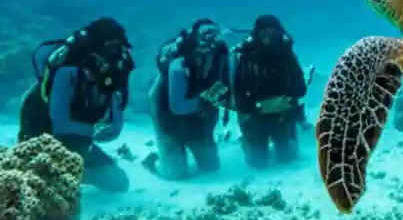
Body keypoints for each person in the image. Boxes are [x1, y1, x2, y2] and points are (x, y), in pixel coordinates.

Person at [18, 16, 134, 192]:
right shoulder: (68, 70)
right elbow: (60, 123)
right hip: (43, 132)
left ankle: (68, 175)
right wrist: (93, 132)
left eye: (119, 47)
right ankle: (48, 173)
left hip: (78, 138)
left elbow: (114, 115)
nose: (116, 55)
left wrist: (111, 127)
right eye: (111, 48)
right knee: (46, 185)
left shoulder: (110, 72)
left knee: (118, 182)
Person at [145, 18, 231, 180]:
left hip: (199, 122)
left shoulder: (221, 59)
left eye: (214, 34)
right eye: (206, 35)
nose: (210, 40)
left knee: (211, 167)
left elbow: (227, 89)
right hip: (169, 119)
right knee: (175, 175)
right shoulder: (178, 65)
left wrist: (220, 98)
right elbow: (177, 106)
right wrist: (204, 102)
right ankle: (154, 161)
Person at [231, 15, 313, 169]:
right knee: (257, 163)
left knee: (288, 159)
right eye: (263, 33)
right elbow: (239, 94)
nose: (267, 38)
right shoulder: (246, 58)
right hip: (256, 117)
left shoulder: (287, 56)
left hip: (282, 116)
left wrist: (284, 102)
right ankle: (247, 142)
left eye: (272, 33)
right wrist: (258, 107)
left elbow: (300, 89)